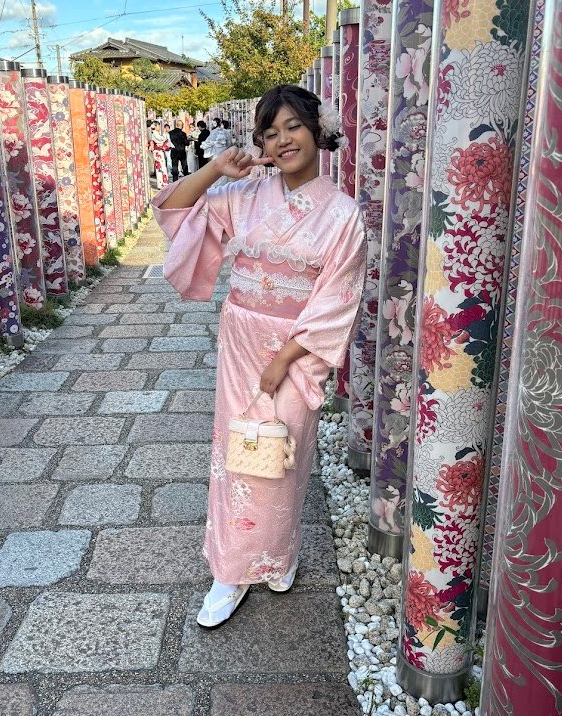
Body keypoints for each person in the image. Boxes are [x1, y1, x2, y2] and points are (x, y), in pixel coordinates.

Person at [152, 85, 364, 628]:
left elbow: (337, 297)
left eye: (293, 126)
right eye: (270, 133)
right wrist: (215, 170)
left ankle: (277, 554)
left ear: (318, 130)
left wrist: (284, 359)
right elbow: (174, 210)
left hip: (297, 347)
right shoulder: (246, 195)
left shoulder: (342, 214)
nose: (283, 140)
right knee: (237, 454)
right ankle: (230, 571)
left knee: (283, 456)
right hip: (242, 338)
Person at [149, 120, 169, 189]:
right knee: (160, 168)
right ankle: (161, 183)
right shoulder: (155, 133)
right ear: (155, 126)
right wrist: (165, 135)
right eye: (158, 126)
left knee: (161, 167)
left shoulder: (156, 133)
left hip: (159, 151)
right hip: (158, 152)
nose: (159, 127)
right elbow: (161, 139)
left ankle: (162, 183)